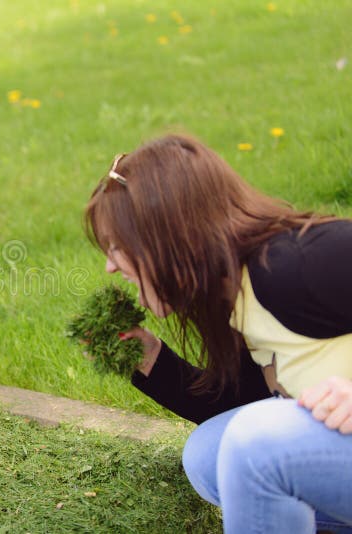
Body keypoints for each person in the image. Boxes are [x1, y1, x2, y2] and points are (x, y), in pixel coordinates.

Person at [84, 134, 352, 533]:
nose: (110, 265)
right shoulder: (236, 296)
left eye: (118, 246)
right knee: (211, 454)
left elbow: (256, 440)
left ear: (169, 239)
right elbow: (243, 406)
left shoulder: (295, 264)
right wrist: (151, 359)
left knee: (250, 446)